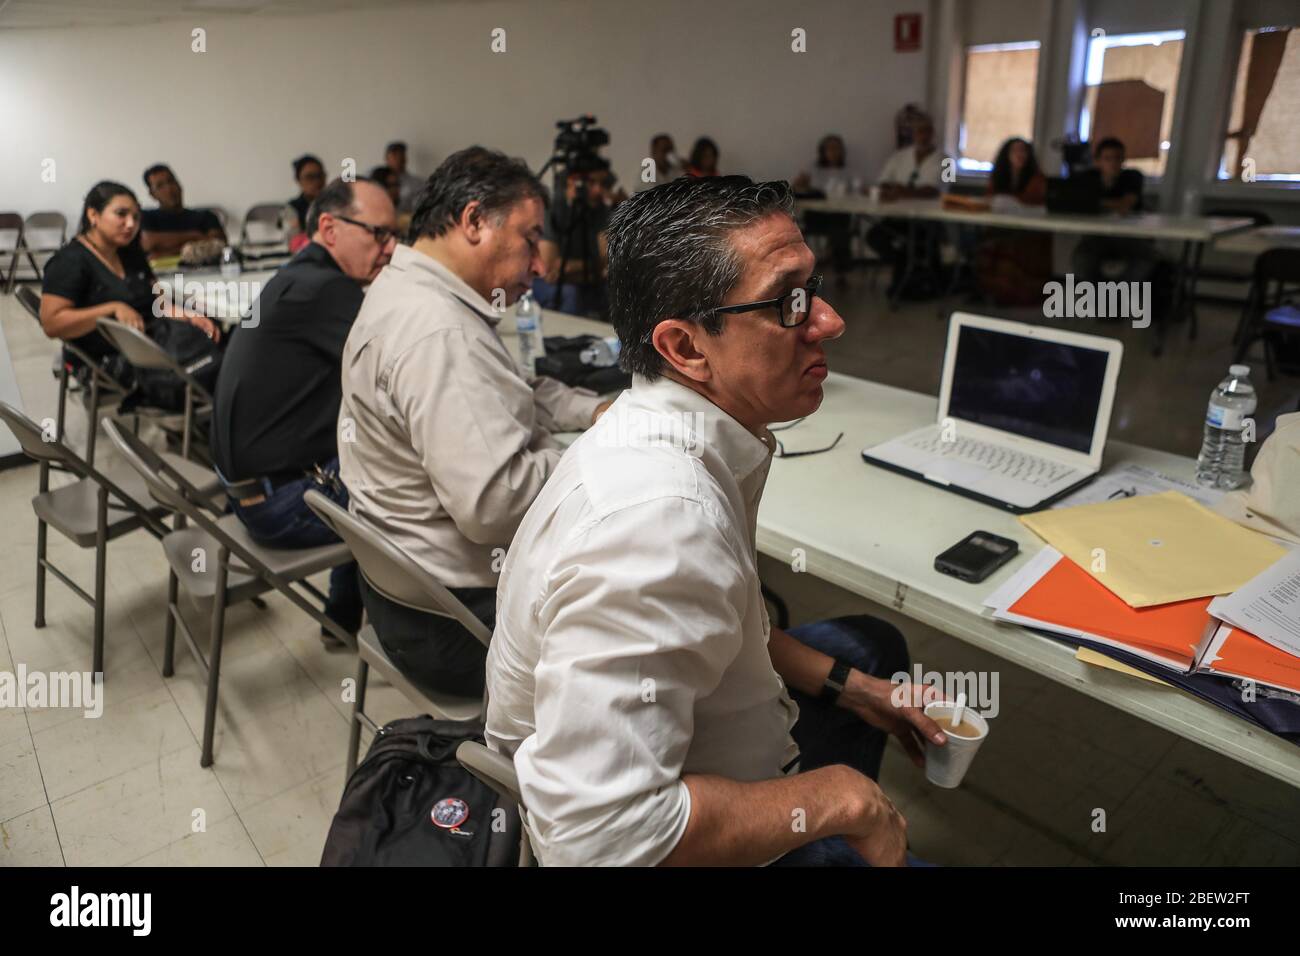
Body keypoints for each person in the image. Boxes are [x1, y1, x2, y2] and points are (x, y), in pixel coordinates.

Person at [485, 175, 946, 867]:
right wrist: (841, 800)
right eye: (790, 300)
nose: (829, 320)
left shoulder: (669, 428)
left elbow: (736, 628)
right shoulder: (661, 522)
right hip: (673, 836)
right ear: (687, 347)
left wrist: (855, 691)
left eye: (812, 288)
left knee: (871, 646)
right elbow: (594, 843)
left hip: (707, 741)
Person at [338, 146, 611, 698]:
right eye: (530, 239)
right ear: (473, 221)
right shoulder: (439, 331)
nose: (540, 264)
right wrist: (614, 452)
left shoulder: (407, 291)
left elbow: (504, 389)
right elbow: (495, 506)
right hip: (459, 625)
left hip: (405, 601)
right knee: (670, 604)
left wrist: (594, 411)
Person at [211, 178, 398, 642]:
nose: (391, 248)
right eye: (378, 233)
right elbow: (403, 376)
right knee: (427, 493)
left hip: (247, 490)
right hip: (281, 507)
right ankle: (418, 650)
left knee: (368, 451)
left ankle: (340, 620)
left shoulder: (297, 274)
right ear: (330, 228)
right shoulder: (325, 289)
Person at [39, 181, 221, 372]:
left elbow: (159, 303)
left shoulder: (130, 253)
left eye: (136, 217)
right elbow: (52, 324)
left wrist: (191, 317)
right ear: (93, 215)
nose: (131, 224)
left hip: (153, 342)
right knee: (219, 364)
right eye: (121, 214)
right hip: (111, 359)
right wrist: (112, 309)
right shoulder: (70, 261)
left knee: (219, 333)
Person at [866, 113, 952, 296]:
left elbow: (939, 191)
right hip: (898, 216)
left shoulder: (947, 161)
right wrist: (895, 189)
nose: (923, 135)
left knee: (914, 242)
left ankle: (913, 277)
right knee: (875, 236)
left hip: (928, 219)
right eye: (919, 131)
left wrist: (902, 190)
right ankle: (904, 267)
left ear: (933, 133)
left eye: (927, 131)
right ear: (913, 134)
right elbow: (883, 181)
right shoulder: (899, 156)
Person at [1071, 137, 1157, 284]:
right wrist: (1106, 204)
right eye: (1107, 159)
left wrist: (1095, 202)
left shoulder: (1132, 176)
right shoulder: (1088, 177)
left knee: (1147, 257)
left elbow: (1126, 204)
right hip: (1097, 235)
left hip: (1128, 236)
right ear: (1097, 161)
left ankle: (1118, 296)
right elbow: (1076, 203)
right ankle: (1095, 295)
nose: (1113, 163)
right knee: (1082, 257)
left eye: (1117, 158)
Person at [976, 137, 1050, 305]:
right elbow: (990, 199)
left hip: (1030, 228)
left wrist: (1012, 202)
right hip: (1000, 226)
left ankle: (1019, 295)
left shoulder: (1037, 178)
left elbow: (1036, 202)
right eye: (1015, 150)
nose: (1020, 154)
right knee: (986, 243)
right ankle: (993, 292)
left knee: (1015, 244)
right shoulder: (998, 176)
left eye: (1023, 150)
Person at [533, 165, 614, 316]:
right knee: (570, 294)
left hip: (582, 279)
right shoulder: (551, 210)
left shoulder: (599, 209)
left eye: (603, 184)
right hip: (543, 281)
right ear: (572, 182)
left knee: (615, 288)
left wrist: (575, 269)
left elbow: (607, 259)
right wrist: (592, 268)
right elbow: (550, 268)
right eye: (592, 183)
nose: (599, 190)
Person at [792, 134, 863, 277]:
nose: (833, 152)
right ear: (823, 151)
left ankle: (840, 267)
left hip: (840, 213)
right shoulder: (813, 169)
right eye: (830, 149)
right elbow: (796, 188)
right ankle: (830, 259)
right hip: (817, 215)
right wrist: (800, 183)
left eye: (837, 149)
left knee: (840, 227)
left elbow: (858, 191)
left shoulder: (849, 170)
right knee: (836, 229)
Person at [139, 164, 226, 259]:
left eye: (171, 181)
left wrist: (164, 253)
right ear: (152, 194)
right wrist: (195, 236)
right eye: (160, 186)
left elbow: (219, 244)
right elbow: (148, 243)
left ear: (179, 185)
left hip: (203, 272)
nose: (169, 189)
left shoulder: (206, 216)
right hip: (169, 273)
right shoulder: (146, 216)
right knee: (179, 275)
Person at [286, 154, 325, 235]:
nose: (317, 181)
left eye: (320, 176)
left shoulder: (335, 205)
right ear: (298, 180)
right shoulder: (292, 209)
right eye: (310, 177)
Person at [384, 141, 425, 214]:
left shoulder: (416, 183)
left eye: (401, 155)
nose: (398, 159)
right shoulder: (375, 179)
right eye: (394, 155)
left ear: (405, 159)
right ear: (386, 158)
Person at [369, 165, 412, 234]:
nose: (396, 190)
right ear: (379, 187)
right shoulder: (368, 215)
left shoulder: (401, 209)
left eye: (397, 184)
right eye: (391, 185)